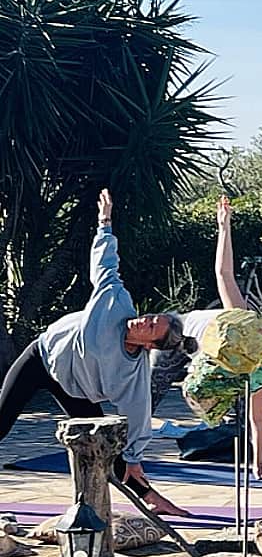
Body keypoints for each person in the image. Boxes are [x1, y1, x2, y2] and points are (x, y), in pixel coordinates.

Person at [0, 190, 190, 515]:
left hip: (72, 386)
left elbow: (139, 415)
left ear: (148, 346)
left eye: (150, 328)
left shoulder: (133, 372)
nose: (143, 321)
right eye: (150, 317)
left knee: (107, 446)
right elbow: (105, 266)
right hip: (41, 357)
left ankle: (151, 497)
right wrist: (105, 223)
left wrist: (134, 457)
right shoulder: (116, 302)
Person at [148, 196, 262, 480]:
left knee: (241, 410)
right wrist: (224, 226)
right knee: (149, 392)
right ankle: (122, 449)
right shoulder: (240, 319)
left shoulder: (254, 370)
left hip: (207, 363)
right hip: (179, 333)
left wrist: (259, 462)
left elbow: (258, 419)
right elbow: (223, 273)